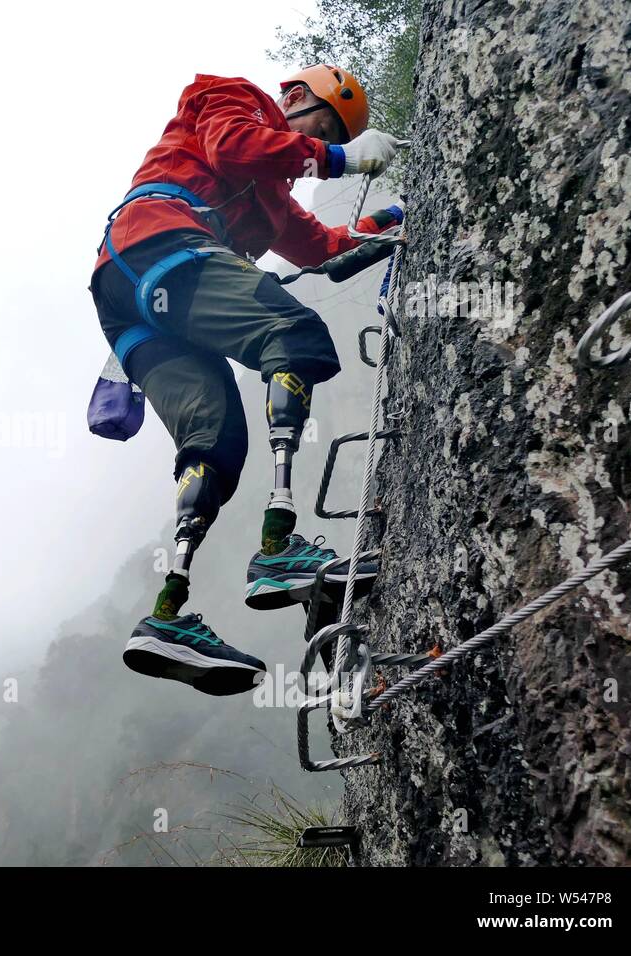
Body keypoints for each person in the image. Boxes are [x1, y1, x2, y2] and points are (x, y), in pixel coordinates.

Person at [90, 66, 405, 696]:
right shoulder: (234, 99)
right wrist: (338, 158)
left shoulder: (269, 197)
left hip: (135, 304)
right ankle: (278, 549)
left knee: (217, 443)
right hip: (163, 246)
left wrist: (385, 220)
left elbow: (316, 247)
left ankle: (166, 617)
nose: (312, 145)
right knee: (295, 335)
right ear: (293, 99)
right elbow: (231, 145)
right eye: (321, 123)